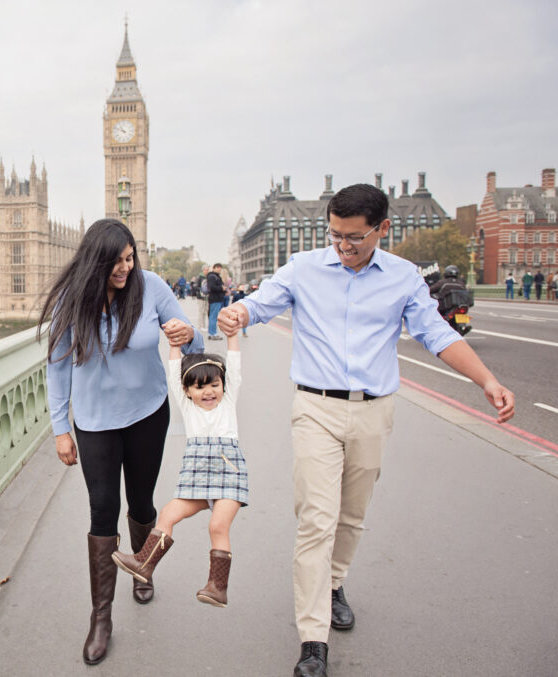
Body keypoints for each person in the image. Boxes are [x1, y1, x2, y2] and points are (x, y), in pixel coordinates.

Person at [218, 184, 515, 677]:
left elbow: (436, 333)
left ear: (382, 229)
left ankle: (334, 583)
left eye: (354, 237)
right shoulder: (304, 268)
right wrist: (238, 312)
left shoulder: (403, 278)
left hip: (373, 411)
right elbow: (262, 303)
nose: (343, 245)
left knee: (351, 517)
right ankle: (313, 640)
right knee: (317, 520)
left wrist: (487, 380)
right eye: (335, 234)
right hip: (315, 408)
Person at [38, 218, 203, 666]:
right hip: (95, 422)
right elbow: (57, 367)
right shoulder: (74, 300)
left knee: (142, 502)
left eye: (130, 259)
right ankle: (101, 617)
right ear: (96, 262)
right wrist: (60, 429)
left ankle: (143, 567)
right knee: (103, 509)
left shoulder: (151, 287)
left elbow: (192, 339)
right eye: (116, 262)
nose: (126, 268)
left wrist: (189, 335)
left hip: (148, 413)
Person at [111, 327, 246, 608]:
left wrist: (233, 336)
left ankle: (217, 588)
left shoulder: (228, 402)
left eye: (215, 385)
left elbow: (234, 366)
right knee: (168, 514)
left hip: (227, 473)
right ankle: (143, 564)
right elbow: (174, 375)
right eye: (199, 387)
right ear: (187, 391)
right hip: (197, 475)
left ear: (223, 385)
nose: (209, 392)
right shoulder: (188, 408)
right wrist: (174, 345)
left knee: (218, 525)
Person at [206, 264, 226, 341]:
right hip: (215, 298)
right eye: (217, 268)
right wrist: (221, 288)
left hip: (216, 298)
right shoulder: (212, 277)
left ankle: (211, 333)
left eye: (220, 268)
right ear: (214, 268)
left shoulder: (216, 276)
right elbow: (211, 287)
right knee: (213, 317)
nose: (219, 269)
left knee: (213, 316)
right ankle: (213, 333)